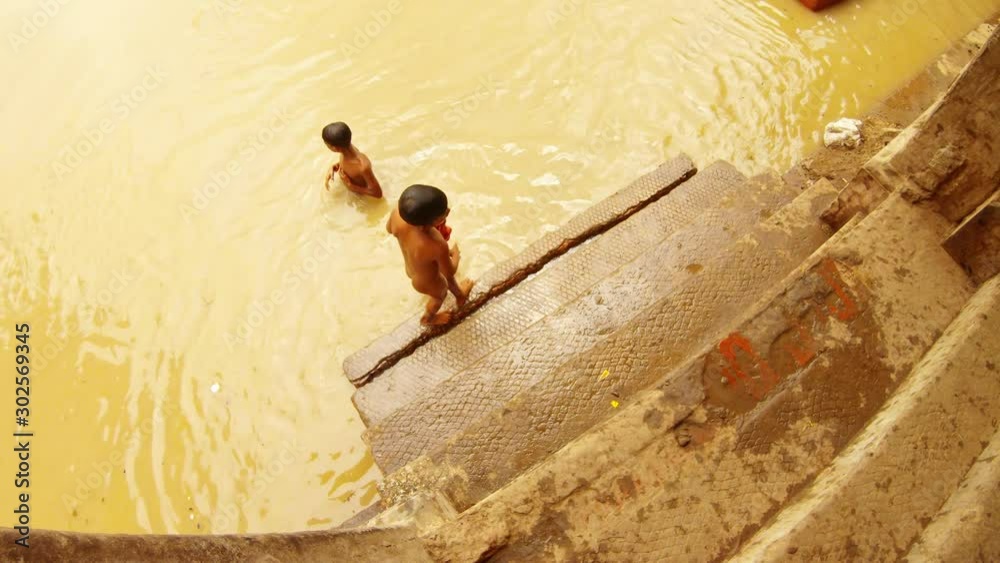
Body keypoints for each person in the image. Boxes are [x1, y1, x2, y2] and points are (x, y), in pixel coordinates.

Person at [387, 184, 473, 325]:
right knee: (440, 294)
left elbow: (390, 229)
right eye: (443, 214)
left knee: (438, 275)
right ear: (425, 225)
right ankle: (429, 318)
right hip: (427, 281)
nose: (448, 211)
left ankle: (457, 298)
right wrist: (456, 256)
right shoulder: (436, 244)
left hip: (411, 268)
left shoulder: (397, 213)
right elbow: (449, 273)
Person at [322, 122, 383, 198]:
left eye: (327, 144)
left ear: (335, 148)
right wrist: (334, 166)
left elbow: (378, 193)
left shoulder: (363, 167)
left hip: (361, 196)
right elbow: (348, 164)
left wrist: (351, 186)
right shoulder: (347, 148)